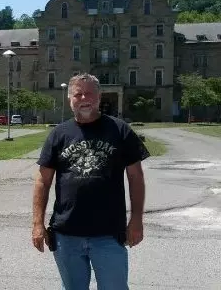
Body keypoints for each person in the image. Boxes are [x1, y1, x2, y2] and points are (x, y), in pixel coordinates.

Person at [32, 73, 150, 290]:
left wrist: (136, 220)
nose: (84, 98)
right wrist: (38, 224)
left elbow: (136, 177)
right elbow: (42, 181)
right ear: (70, 99)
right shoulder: (59, 134)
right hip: (66, 235)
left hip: (109, 234)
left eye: (89, 93)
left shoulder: (120, 130)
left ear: (99, 96)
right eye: (78, 94)